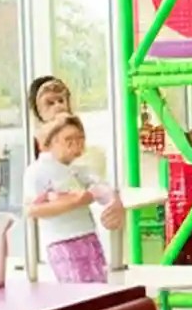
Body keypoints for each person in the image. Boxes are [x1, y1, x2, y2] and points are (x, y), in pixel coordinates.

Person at [23, 112, 124, 283]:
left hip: (88, 235)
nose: (75, 144)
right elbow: (32, 209)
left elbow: (102, 188)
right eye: (68, 139)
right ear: (52, 141)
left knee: (98, 286)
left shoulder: (78, 169)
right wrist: (75, 201)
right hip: (61, 240)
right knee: (76, 287)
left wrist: (115, 204)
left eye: (80, 138)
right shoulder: (37, 171)